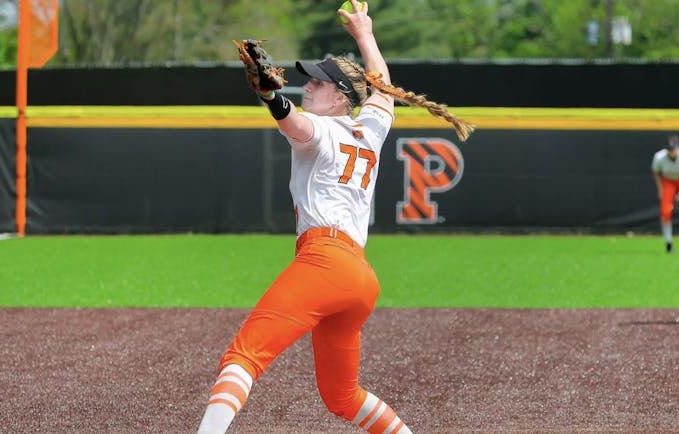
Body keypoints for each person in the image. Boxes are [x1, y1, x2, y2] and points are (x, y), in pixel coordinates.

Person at [196, 1, 473, 433]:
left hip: (325, 262)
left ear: (341, 97)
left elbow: (295, 125)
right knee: (343, 397)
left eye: (320, 82)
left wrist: (270, 96)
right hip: (360, 279)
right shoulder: (370, 130)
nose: (309, 85)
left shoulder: (321, 129)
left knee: (242, 357)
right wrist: (364, 32)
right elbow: (382, 89)